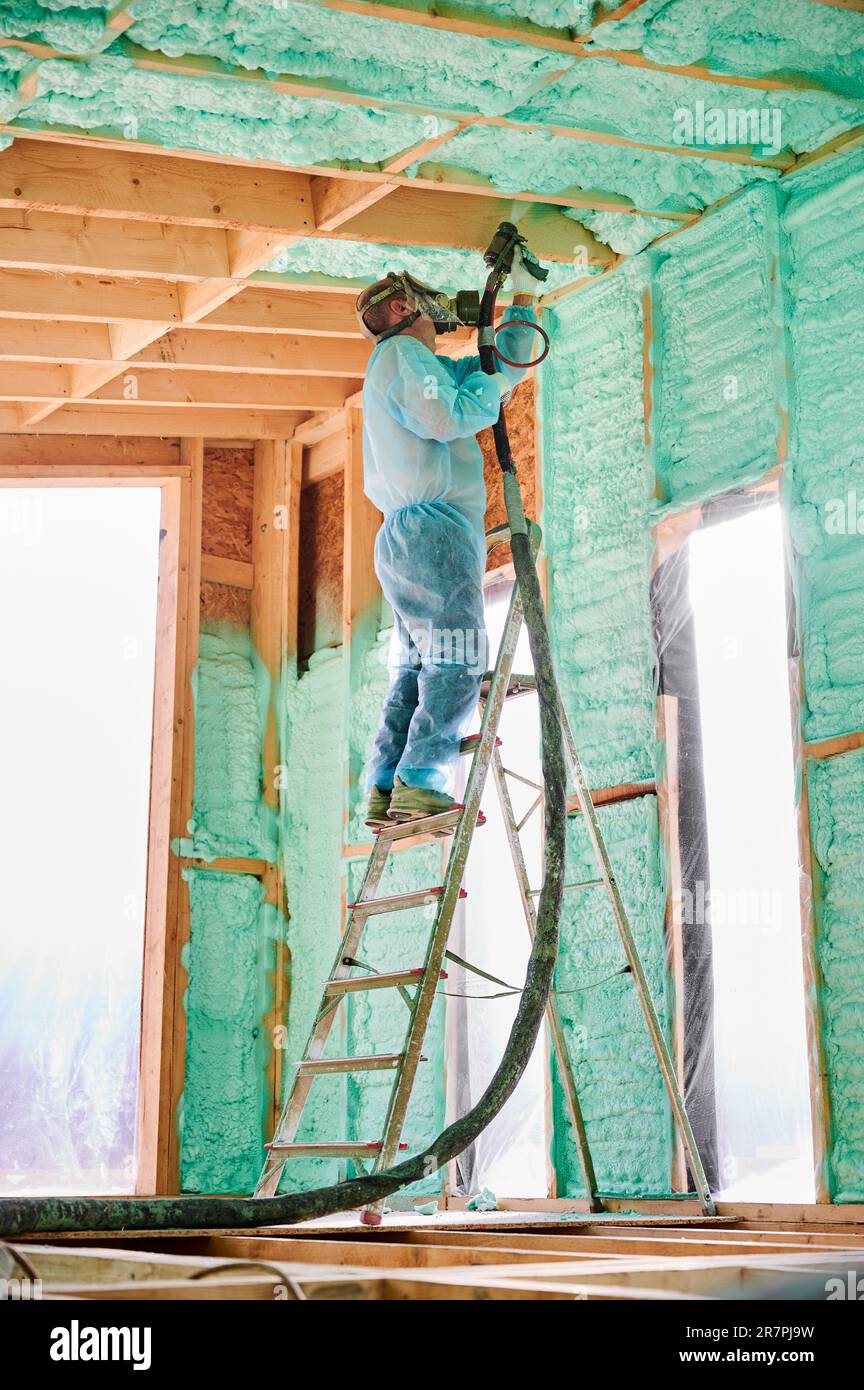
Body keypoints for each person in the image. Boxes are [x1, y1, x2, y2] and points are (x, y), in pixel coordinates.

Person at [355, 250, 541, 826]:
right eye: (424, 301)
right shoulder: (403, 354)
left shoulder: (416, 368)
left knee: (418, 666)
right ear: (403, 309)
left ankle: (389, 782)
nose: (437, 311)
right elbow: (448, 417)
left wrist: (525, 302)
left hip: (407, 537)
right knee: (458, 658)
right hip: (432, 533)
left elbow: (497, 373)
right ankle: (421, 779)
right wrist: (480, 395)